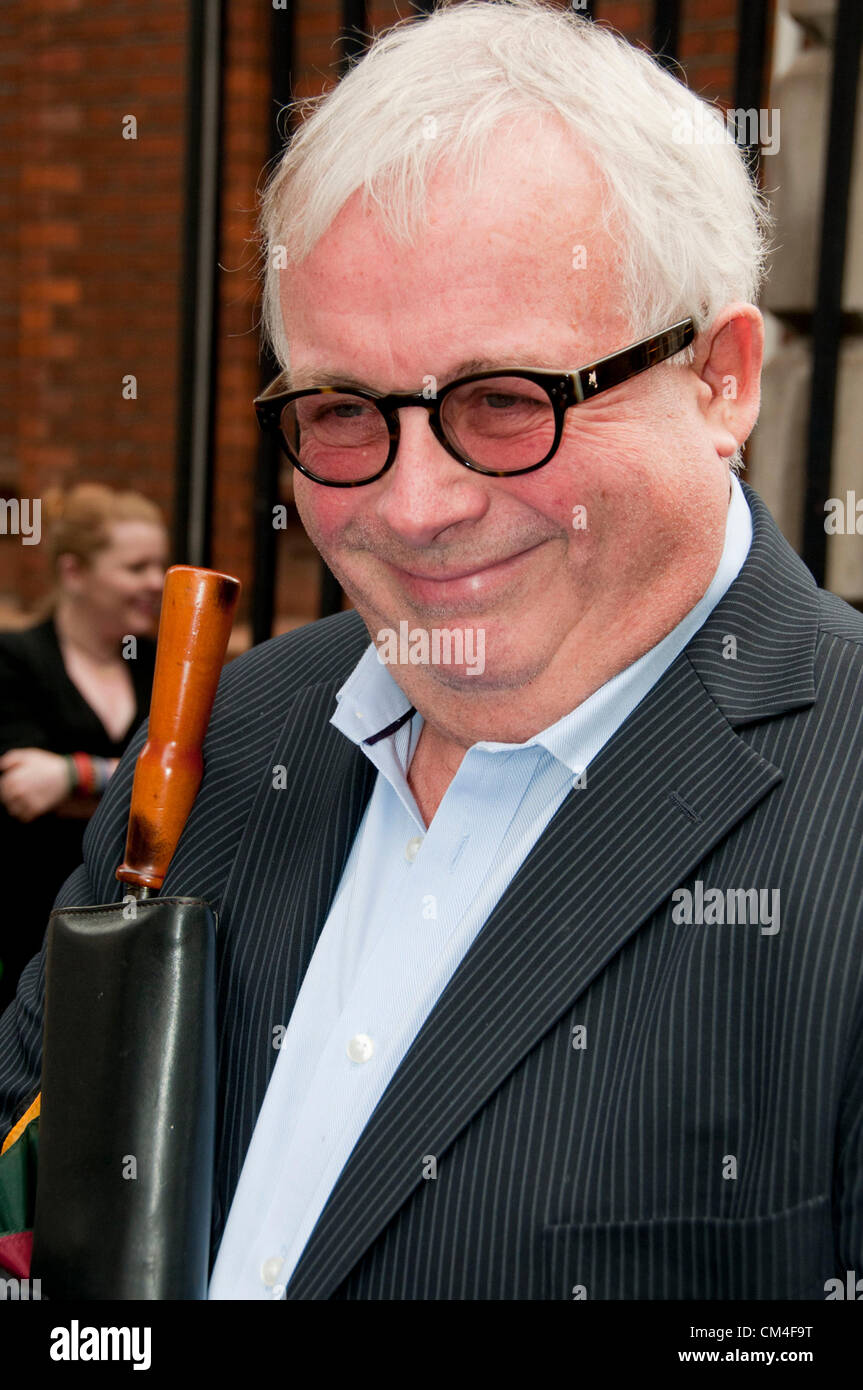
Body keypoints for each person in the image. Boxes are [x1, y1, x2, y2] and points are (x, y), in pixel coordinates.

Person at [2, 0, 862, 1300]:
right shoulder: (237, 726)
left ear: (718, 379)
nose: (412, 507)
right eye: (343, 410)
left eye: (505, 399)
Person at [0, 484, 166, 1010]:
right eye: (136, 568)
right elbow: (23, 791)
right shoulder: (16, 660)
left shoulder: (166, 668)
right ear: (74, 573)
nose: (156, 583)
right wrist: (139, 779)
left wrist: (72, 777)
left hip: (141, 927)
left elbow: (192, 781)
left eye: (160, 566)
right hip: (34, 926)